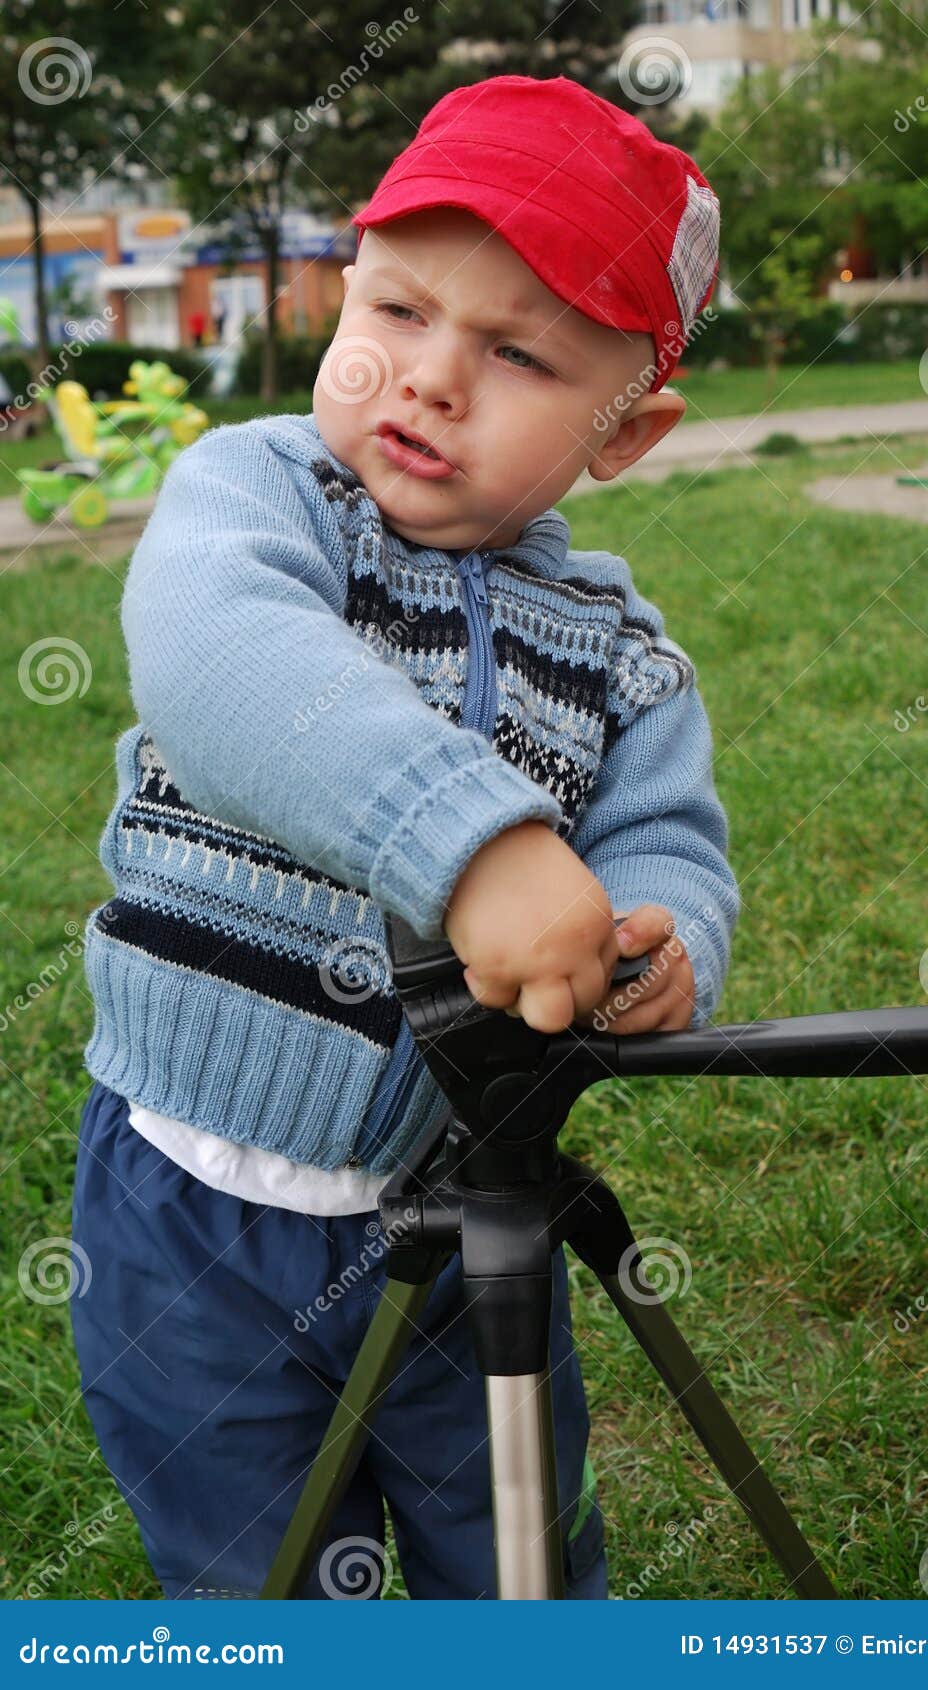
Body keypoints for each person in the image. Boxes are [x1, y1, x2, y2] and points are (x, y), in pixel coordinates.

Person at [70, 74, 740, 1601]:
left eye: (517, 354)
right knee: (265, 1570)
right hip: (188, 1205)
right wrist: (477, 847)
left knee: (513, 1554)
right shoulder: (261, 501)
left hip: (467, 1202)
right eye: (398, 306)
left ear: (627, 428)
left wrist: (658, 939)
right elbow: (218, 660)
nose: (428, 379)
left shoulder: (619, 649)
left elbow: (669, 845)